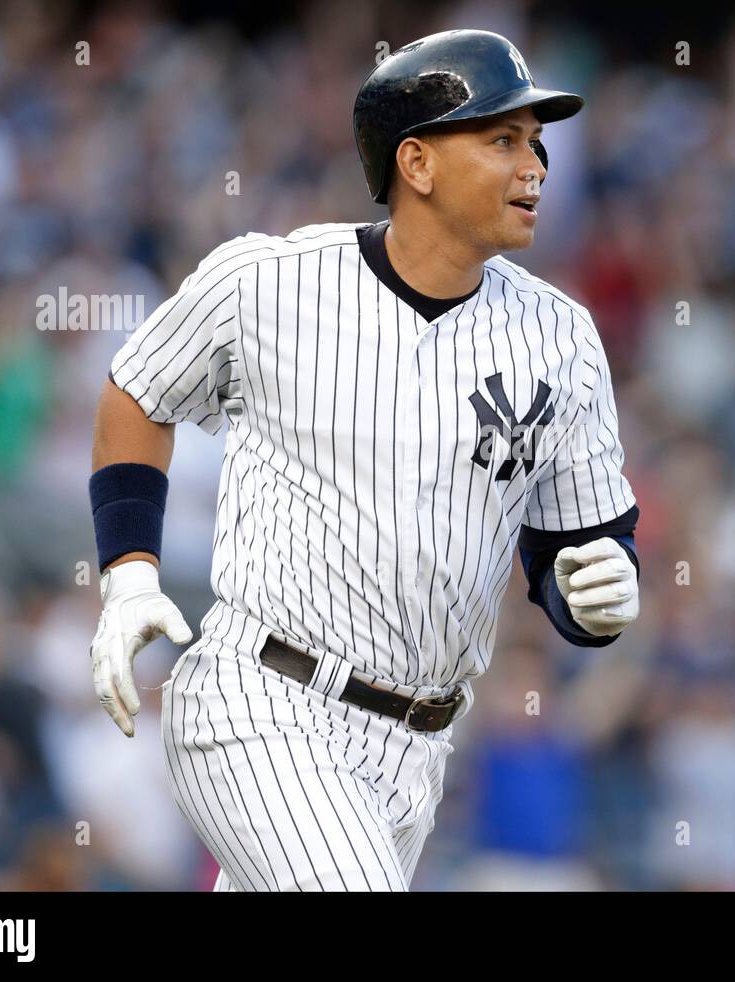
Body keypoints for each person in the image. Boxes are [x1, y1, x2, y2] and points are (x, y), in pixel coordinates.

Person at [86, 29, 642, 891]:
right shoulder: (270, 283)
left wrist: (595, 599)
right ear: (415, 164)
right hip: (262, 700)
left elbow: (572, 547)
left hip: (417, 751)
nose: (535, 166)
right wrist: (128, 574)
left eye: (536, 142)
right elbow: (138, 395)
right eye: (502, 140)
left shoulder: (560, 336)